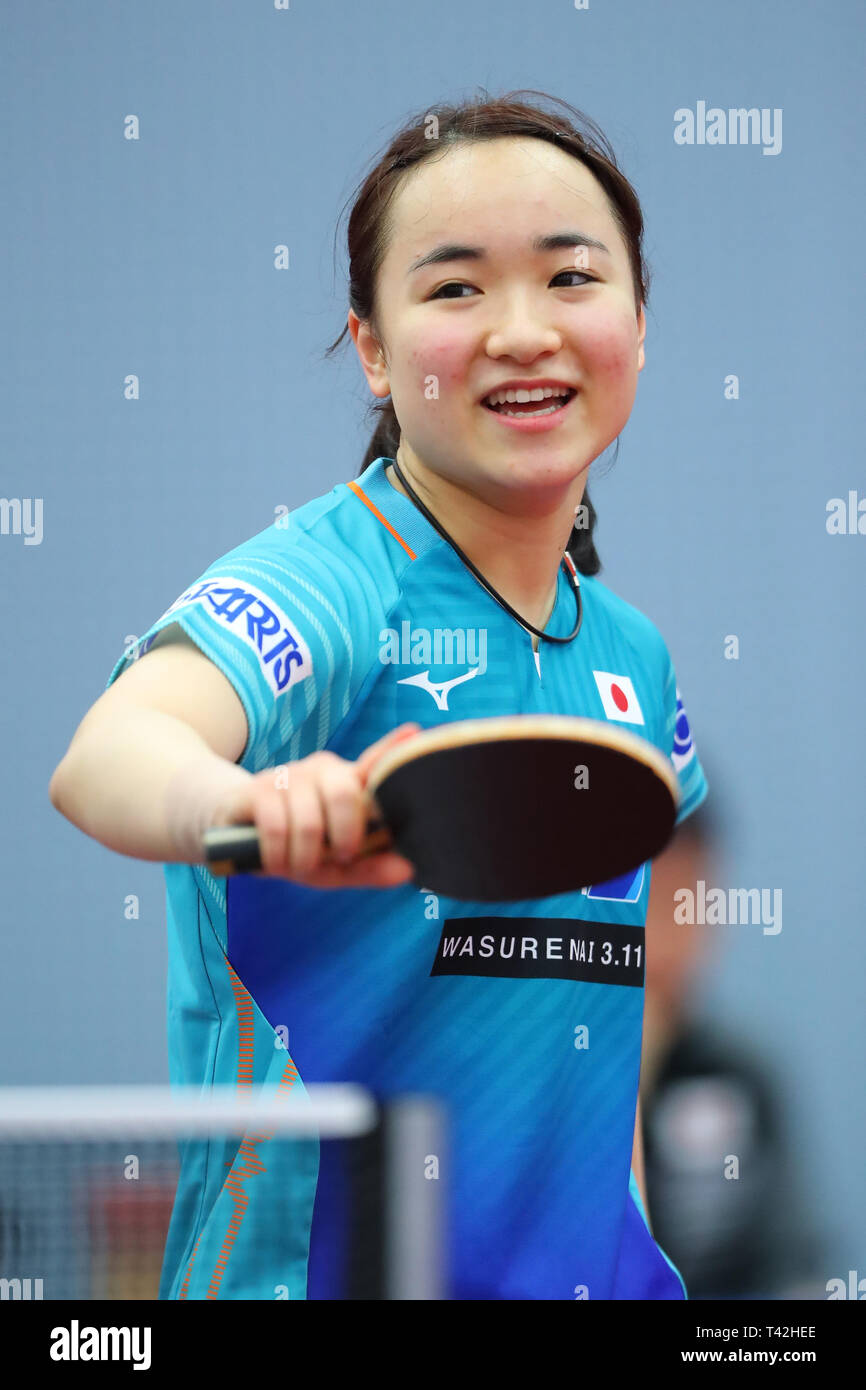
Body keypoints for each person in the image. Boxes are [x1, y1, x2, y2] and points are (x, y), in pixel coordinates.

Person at [49, 89, 709, 1300]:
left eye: (570, 277)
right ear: (372, 346)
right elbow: (108, 752)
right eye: (454, 287)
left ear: (638, 322)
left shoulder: (635, 654)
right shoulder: (331, 585)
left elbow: (594, 1060)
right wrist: (238, 804)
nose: (521, 331)